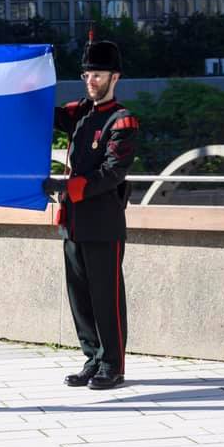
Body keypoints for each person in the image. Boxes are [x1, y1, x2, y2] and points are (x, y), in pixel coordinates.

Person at [42, 35, 138, 390]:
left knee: (106, 298)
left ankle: (113, 365)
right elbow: (43, 115)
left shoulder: (122, 121)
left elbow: (113, 172)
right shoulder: (80, 112)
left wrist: (70, 188)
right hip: (73, 224)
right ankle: (93, 359)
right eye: (86, 75)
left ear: (115, 78)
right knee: (80, 297)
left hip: (103, 223)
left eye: (97, 74)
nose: (90, 81)